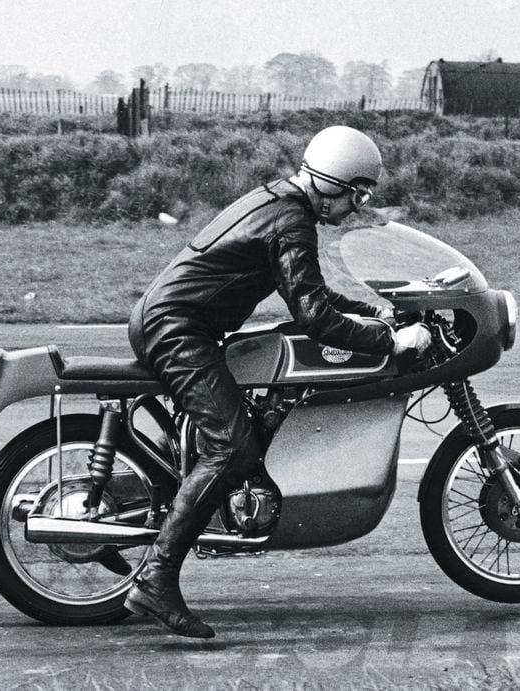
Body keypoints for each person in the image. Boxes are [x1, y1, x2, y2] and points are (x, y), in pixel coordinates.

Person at [125, 125, 432, 638]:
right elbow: (315, 317)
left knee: (236, 430)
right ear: (333, 183)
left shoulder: (282, 202)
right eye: (357, 194)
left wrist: (375, 312)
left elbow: (311, 292)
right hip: (176, 329)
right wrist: (390, 342)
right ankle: (155, 579)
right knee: (231, 448)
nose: (356, 208)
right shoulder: (292, 222)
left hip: (176, 321)